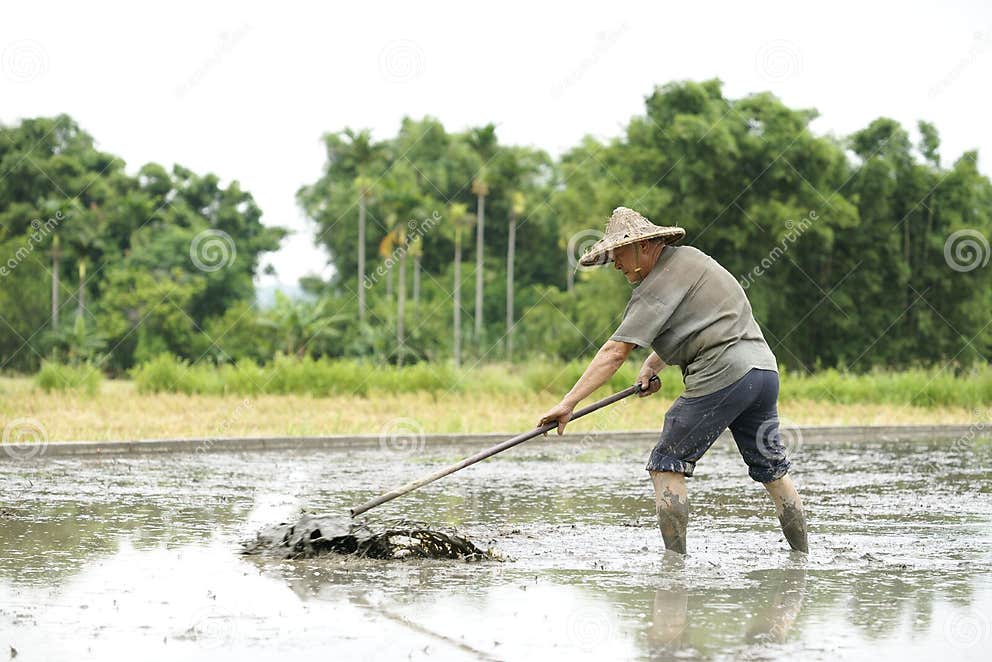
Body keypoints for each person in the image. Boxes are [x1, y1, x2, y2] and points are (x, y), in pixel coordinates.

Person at [538, 207, 808, 554]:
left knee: (666, 464)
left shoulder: (656, 285)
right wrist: (652, 365)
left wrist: (568, 403)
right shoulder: (694, 262)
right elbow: (699, 323)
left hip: (723, 375)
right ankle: (803, 556)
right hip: (763, 374)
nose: (616, 264)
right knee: (773, 470)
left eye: (618, 254)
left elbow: (614, 352)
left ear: (645, 247)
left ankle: (674, 566)